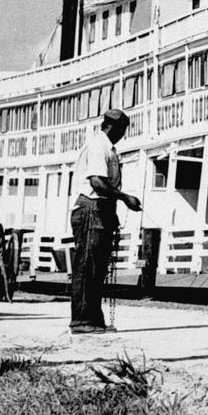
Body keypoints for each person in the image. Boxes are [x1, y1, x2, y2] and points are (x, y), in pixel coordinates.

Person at [70, 109, 141, 334]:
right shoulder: (98, 146)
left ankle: (93, 319)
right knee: (87, 266)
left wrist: (113, 210)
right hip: (91, 208)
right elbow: (98, 183)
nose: (123, 135)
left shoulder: (107, 148)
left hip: (101, 209)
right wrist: (125, 198)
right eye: (123, 130)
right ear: (115, 127)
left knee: (97, 268)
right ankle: (82, 320)